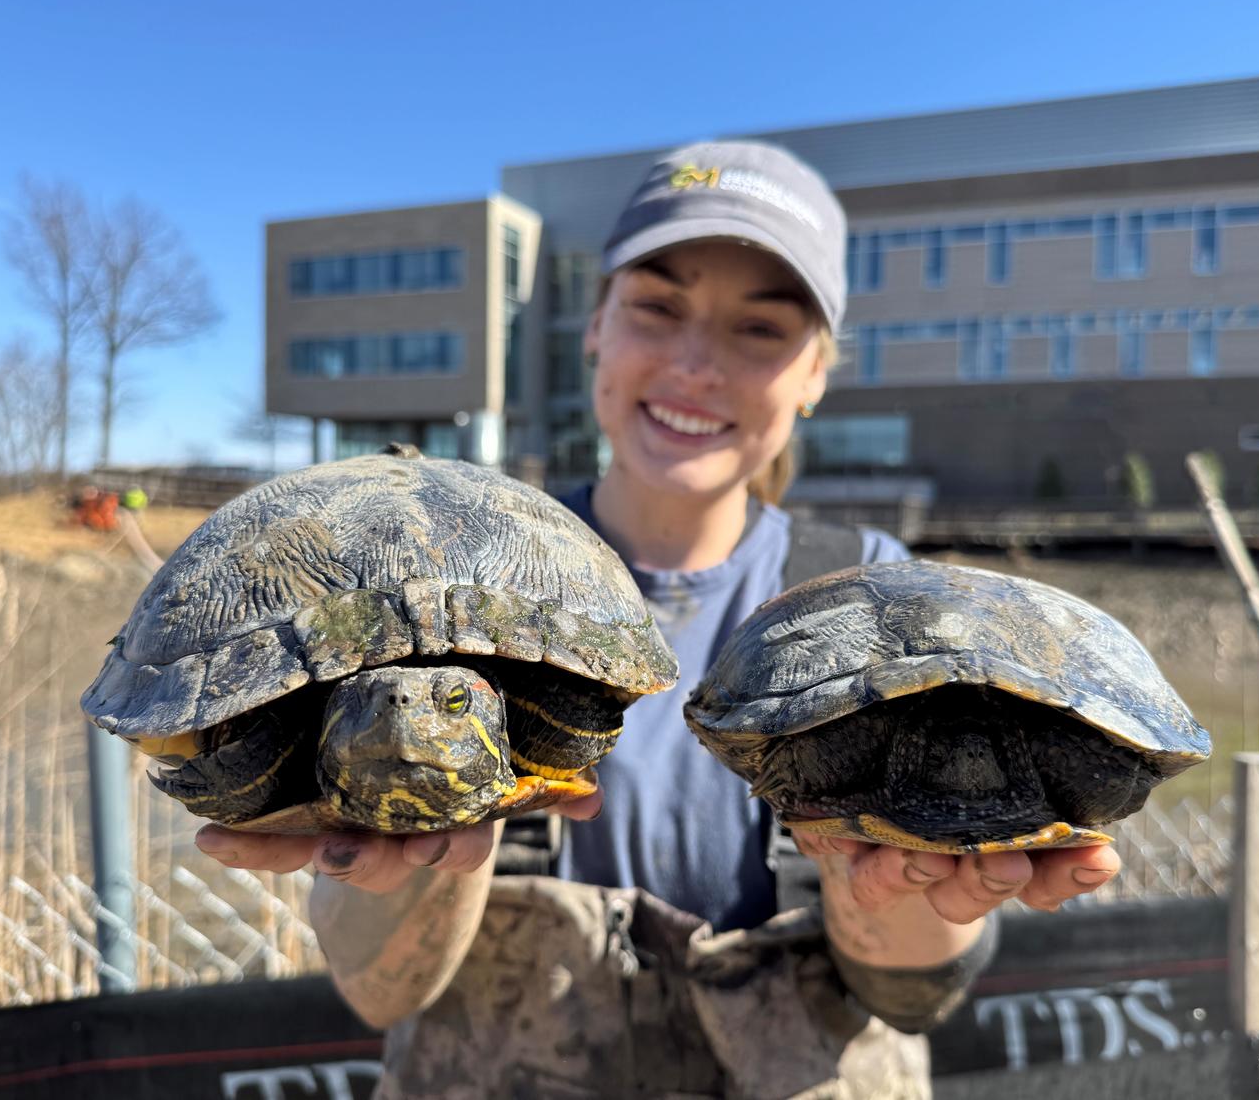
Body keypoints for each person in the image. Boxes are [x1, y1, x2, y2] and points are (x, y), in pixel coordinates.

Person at [196, 140, 1121, 1098]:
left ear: (816, 376)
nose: (693, 364)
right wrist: (403, 844)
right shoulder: (436, 575)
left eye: (759, 329)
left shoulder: (886, 608)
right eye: (657, 307)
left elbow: (912, 996)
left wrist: (899, 882)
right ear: (595, 325)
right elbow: (382, 990)